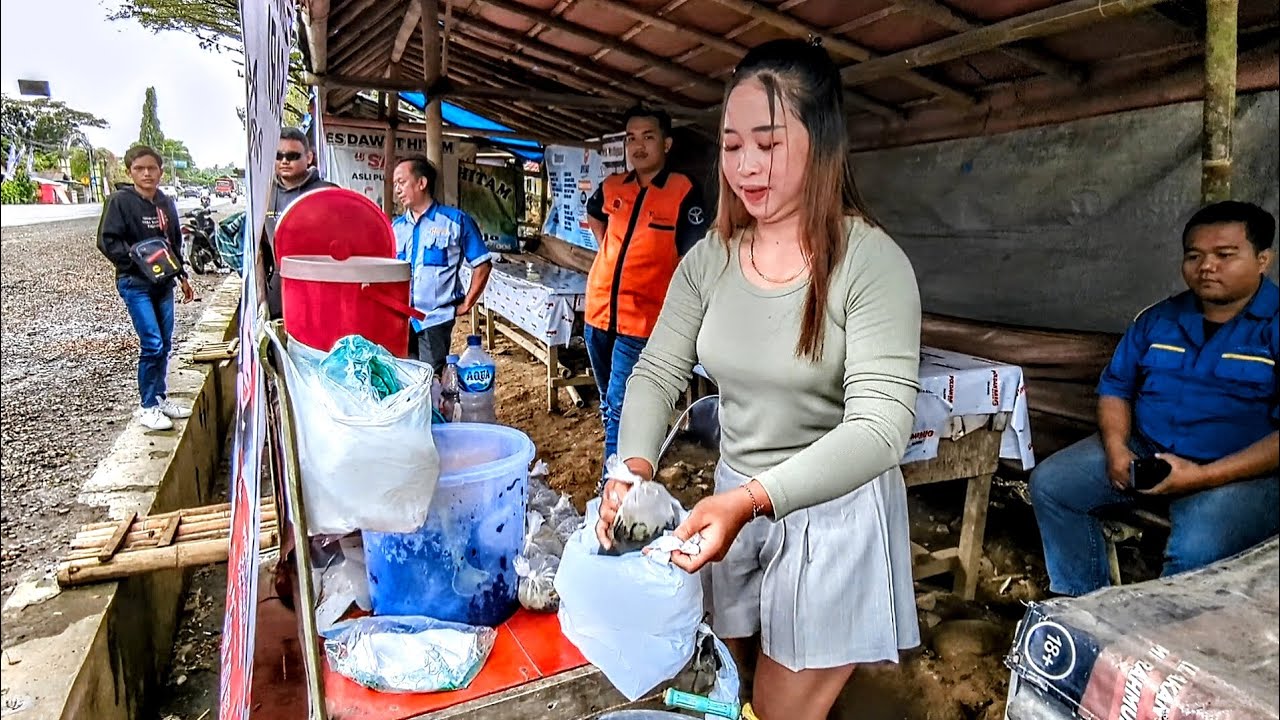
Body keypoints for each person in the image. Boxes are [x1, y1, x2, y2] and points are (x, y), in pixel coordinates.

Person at [598, 39, 922, 720]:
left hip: (832, 518)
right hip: (734, 497)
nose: (745, 166)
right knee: (736, 671)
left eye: (768, 144)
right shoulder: (711, 258)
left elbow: (880, 428)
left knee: (779, 707)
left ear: (822, 143)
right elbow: (656, 370)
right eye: (732, 145)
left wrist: (750, 501)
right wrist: (631, 471)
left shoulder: (871, 264)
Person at [1031, 201, 1279, 595]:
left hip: (1242, 473)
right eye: (1194, 256)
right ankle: (1083, 606)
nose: (1206, 266)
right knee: (1052, 485)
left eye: (1224, 255)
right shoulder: (1159, 318)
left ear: (1263, 259)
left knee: (1195, 549)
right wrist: (1117, 448)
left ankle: (1161, 631)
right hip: (1146, 448)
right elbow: (1116, 388)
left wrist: (1203, 477)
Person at [584, 105, 709, 470]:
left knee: (622, 405)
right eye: (631, 138)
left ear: (666, 144)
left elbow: (692, 256)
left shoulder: (683, 191)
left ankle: (614, 483)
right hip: (597, 312)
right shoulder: (613, 186)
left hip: (642, 320)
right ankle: (621, 463)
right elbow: (595, 214)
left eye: (648, 137)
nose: (637, 146)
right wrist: (607, 253)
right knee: (609, 401)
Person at [97, 145, 196, 431]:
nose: (146, 174)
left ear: (160, 172)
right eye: (139, 169)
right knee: (151, 342)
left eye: (152, 168)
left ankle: (159, 397)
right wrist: (137, 262)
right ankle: (147, 406)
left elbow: (173, 242)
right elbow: (107, 241)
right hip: (135, 283)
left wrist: (182, 276)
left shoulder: (165, 203)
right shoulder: (119, 202)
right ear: (130, 172)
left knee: (165, 343)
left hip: (163, 283)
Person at [391, 155, 493, 373]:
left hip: (434, 319)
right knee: (402, 375)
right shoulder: (396, 228)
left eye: (401, 182)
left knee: (431, 378)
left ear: (421, 183)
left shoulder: (455, 221)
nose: (397, 190)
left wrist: (467, 303)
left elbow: (482, 265)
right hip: (400, 320)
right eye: (395, 184)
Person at [263, 127, 336, 319]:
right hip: (280, 293)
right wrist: (261, 298)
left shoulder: (329, 194)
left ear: (309, 157)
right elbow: (257, 251)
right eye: (278, 156)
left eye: (292, 156)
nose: (284, 161)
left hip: (323, 291)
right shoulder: (264, 196)